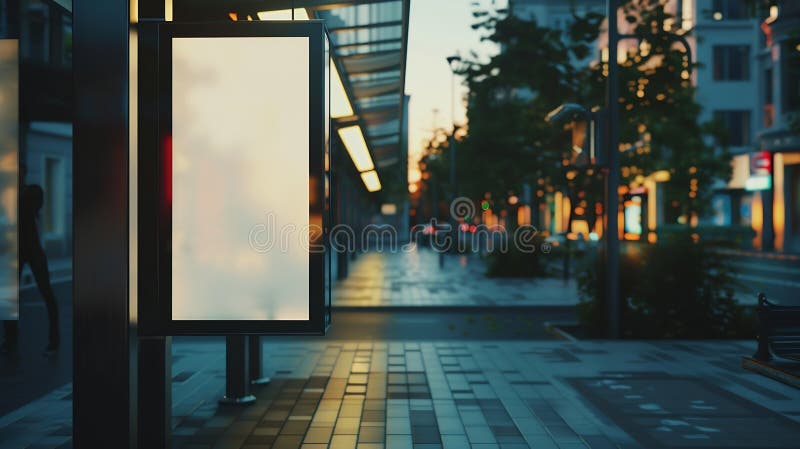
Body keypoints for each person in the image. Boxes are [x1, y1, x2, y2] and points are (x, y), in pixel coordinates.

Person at [1, 182, 60, 355]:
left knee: (46, 293)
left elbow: (34, 207)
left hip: (32, 250)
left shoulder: (30, 192)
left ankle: (54, 341)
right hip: (18, 251)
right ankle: (10, 339)